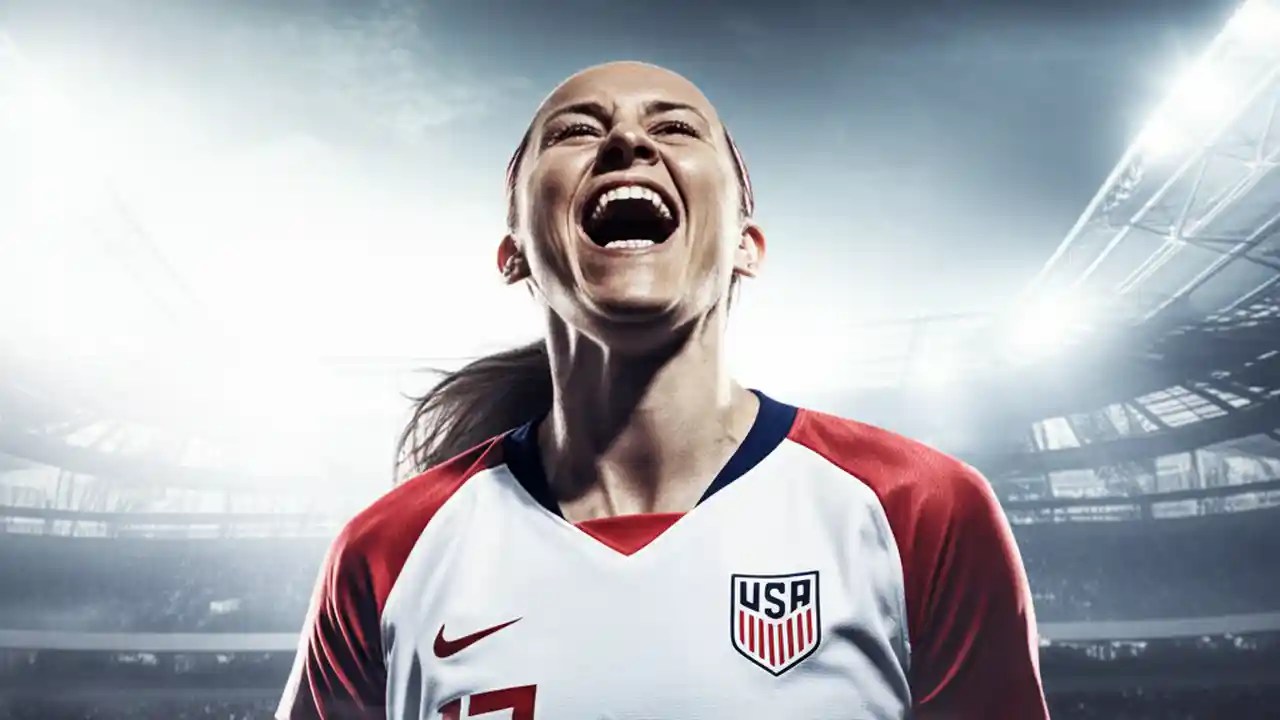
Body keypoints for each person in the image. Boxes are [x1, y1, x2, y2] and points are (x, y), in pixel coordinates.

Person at [278, 61, 1049, 720]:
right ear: (514, 255)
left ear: (746, 246)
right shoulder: (387, 553)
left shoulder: (919, 508)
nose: (627, 141)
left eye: (677, 128)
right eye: (576, 130)